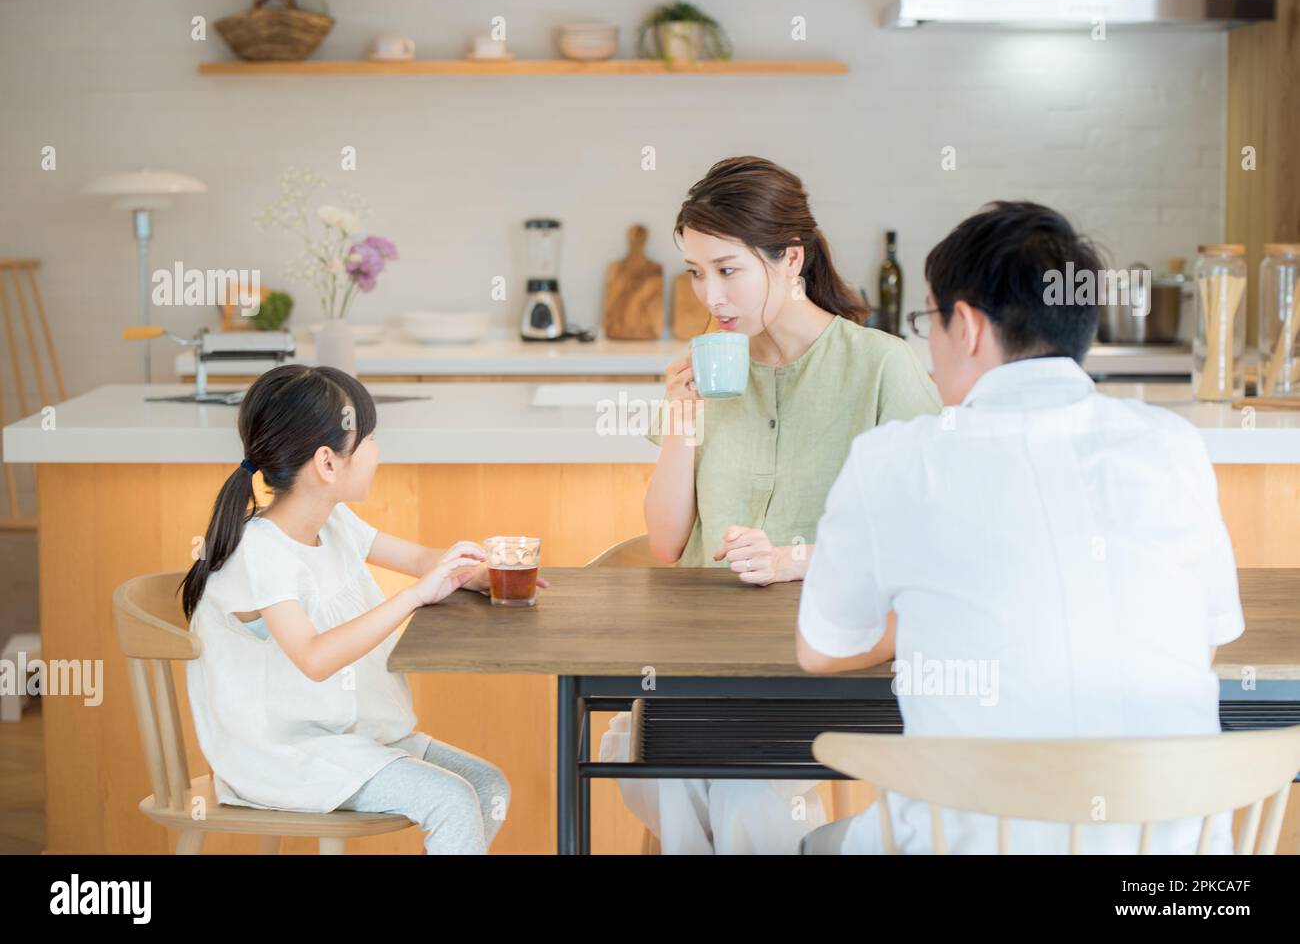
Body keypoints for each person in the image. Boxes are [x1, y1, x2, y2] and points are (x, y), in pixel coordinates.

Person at [796, 200, 1244, 854]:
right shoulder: (1171, 445)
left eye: (931, 321)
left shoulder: (896, 458)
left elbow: (822, 648)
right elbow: (1207, 639)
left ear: (969, 327)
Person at [599, 156, 943, 854]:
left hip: (823, 662)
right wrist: (682, 423)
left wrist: (799, 560)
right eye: (696, 272)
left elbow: (925, 545)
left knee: (720, 782)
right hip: (700, 661)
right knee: (657, 757)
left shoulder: (882, 367)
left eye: (728, 269)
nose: (711, 294)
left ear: (790, 260)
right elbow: (666, 543)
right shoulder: (708, 366)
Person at [181, 364, 544, 854]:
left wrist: (469, 574)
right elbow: (313, 657)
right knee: (452, 799)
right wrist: (414, 595)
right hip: (286, 756)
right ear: (328, 463)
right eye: (368, 438)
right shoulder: (260, 552)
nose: (376, 450)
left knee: (487, 786)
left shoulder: (334, 523)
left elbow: (416, 558)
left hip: (354, 736)